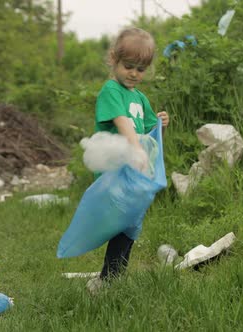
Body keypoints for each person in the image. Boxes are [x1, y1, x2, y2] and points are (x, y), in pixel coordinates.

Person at [87, 27, 170, 293]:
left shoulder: (139, 97)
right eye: (129, 66)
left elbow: (149, 133)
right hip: (116, 170)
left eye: (141, 69)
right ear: (114, 60)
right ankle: (108, 279)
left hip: (133, 171)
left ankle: (112, 277)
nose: (134, 74)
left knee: (131, 224)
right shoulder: (111, 90)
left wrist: (161, 124)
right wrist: (135, 148)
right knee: (124, 221)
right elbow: (122, 121)